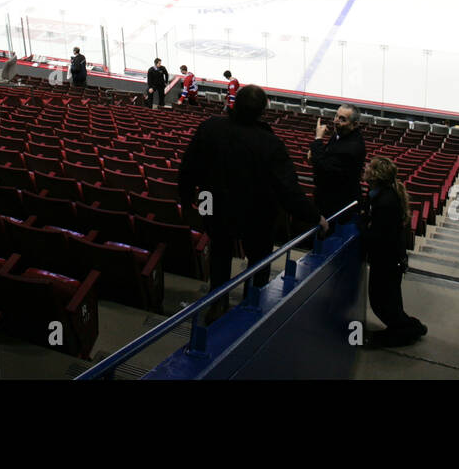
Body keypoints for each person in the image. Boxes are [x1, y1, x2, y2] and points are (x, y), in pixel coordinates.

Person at [177, 84, 327, 317]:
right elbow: (289, 190)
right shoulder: (271, 144)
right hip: (256, 217)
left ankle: (217, 303)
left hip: (214, 209)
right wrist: (314, 216)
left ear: (235, 103)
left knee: (220, 254)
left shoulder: (210, 128)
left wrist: (187, 202)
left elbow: (188, 168)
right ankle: (249, 310)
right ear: (262, 111)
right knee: (258, 264)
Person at [361, 157, 427, 346]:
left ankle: (405, 332)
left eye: (370, 167)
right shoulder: (378, 195)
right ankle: (413, 327)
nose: (365, 167)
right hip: (387, 259)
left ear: (376, 175)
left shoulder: (386, 201)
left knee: (383, 302)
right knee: (387, 302)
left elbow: (378, 236)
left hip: (387, 260)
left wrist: (361, 225)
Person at [309, 105, 368, 220]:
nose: (336, 121)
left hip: (338, 207)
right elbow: (326, 158)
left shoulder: (352, 147)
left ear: (355, 124)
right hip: (328, 199)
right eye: (336, 116)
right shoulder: (341, 133)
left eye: (342, 119)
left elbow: (323, 167)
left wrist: (318, 139)